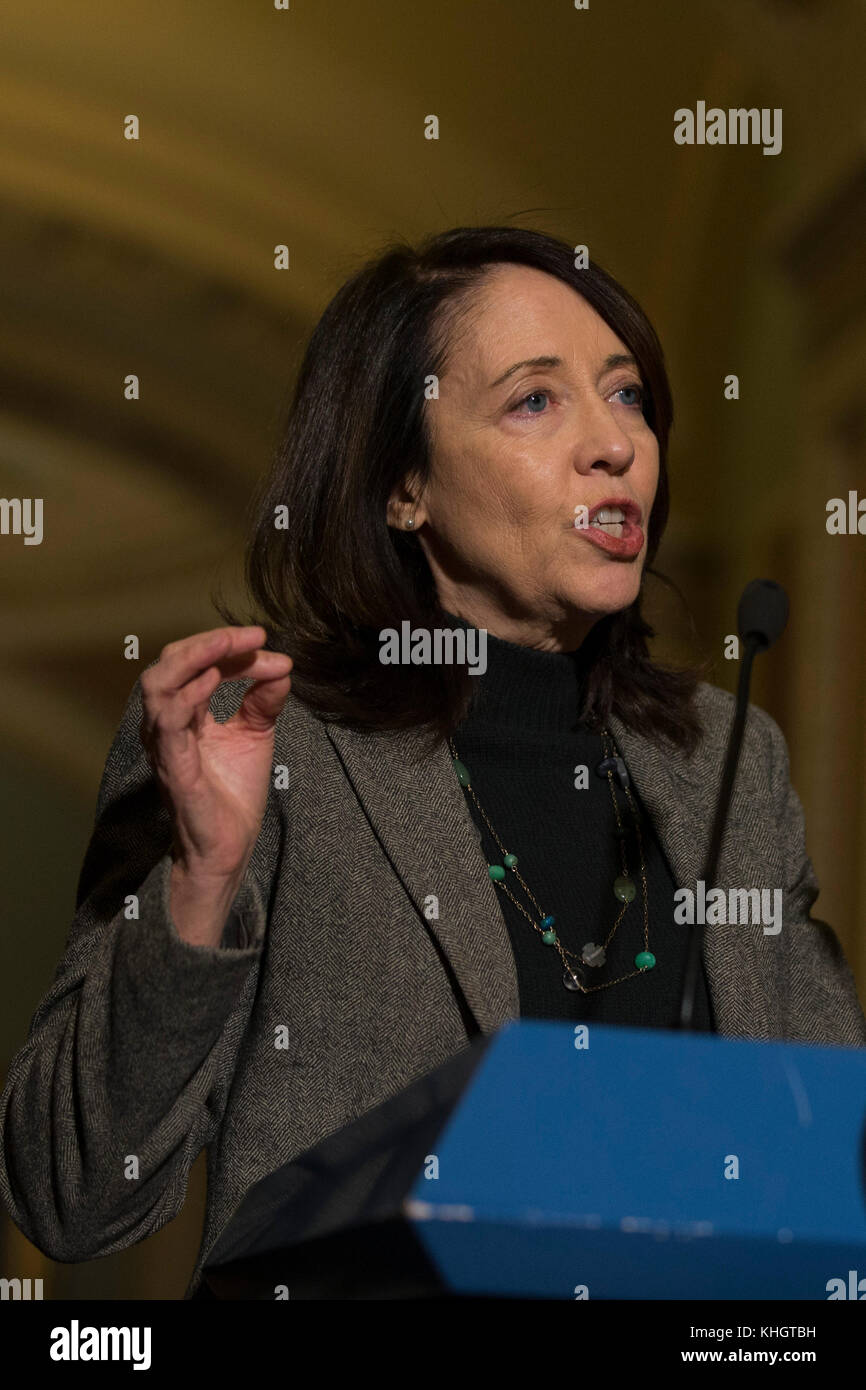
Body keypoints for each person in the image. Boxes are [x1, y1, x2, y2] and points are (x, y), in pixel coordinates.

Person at [2, 226, 863, 1298]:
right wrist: (198, 887)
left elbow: (832, 1153)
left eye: (628, 395)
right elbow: (74, 1197)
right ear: (402, 483)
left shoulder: (726, 766)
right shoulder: (264, 741)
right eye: (534, 400)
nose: (613, 444)